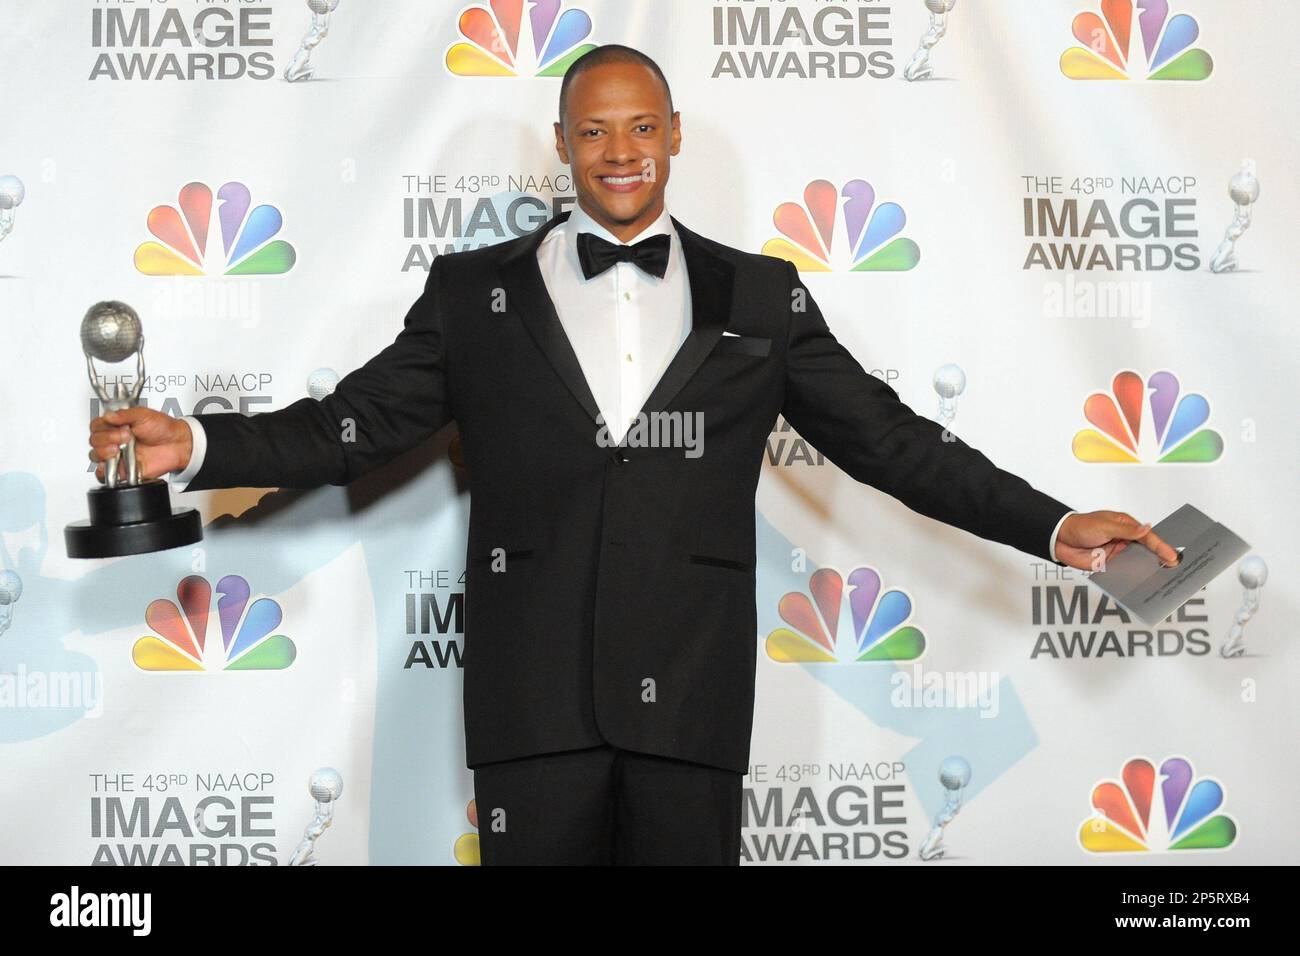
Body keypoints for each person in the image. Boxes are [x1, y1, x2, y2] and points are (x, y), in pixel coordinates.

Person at [88, 45, 1178, 865]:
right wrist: (196, 442)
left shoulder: (762, 294)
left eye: (641, 128)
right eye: (596, 132)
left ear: (672, 136)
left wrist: (1051, 521)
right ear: (561, 144)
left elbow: (888, 440)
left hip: (691, 700)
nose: (620, 153)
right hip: (531, 700)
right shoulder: (474, 295)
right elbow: (350, 425)